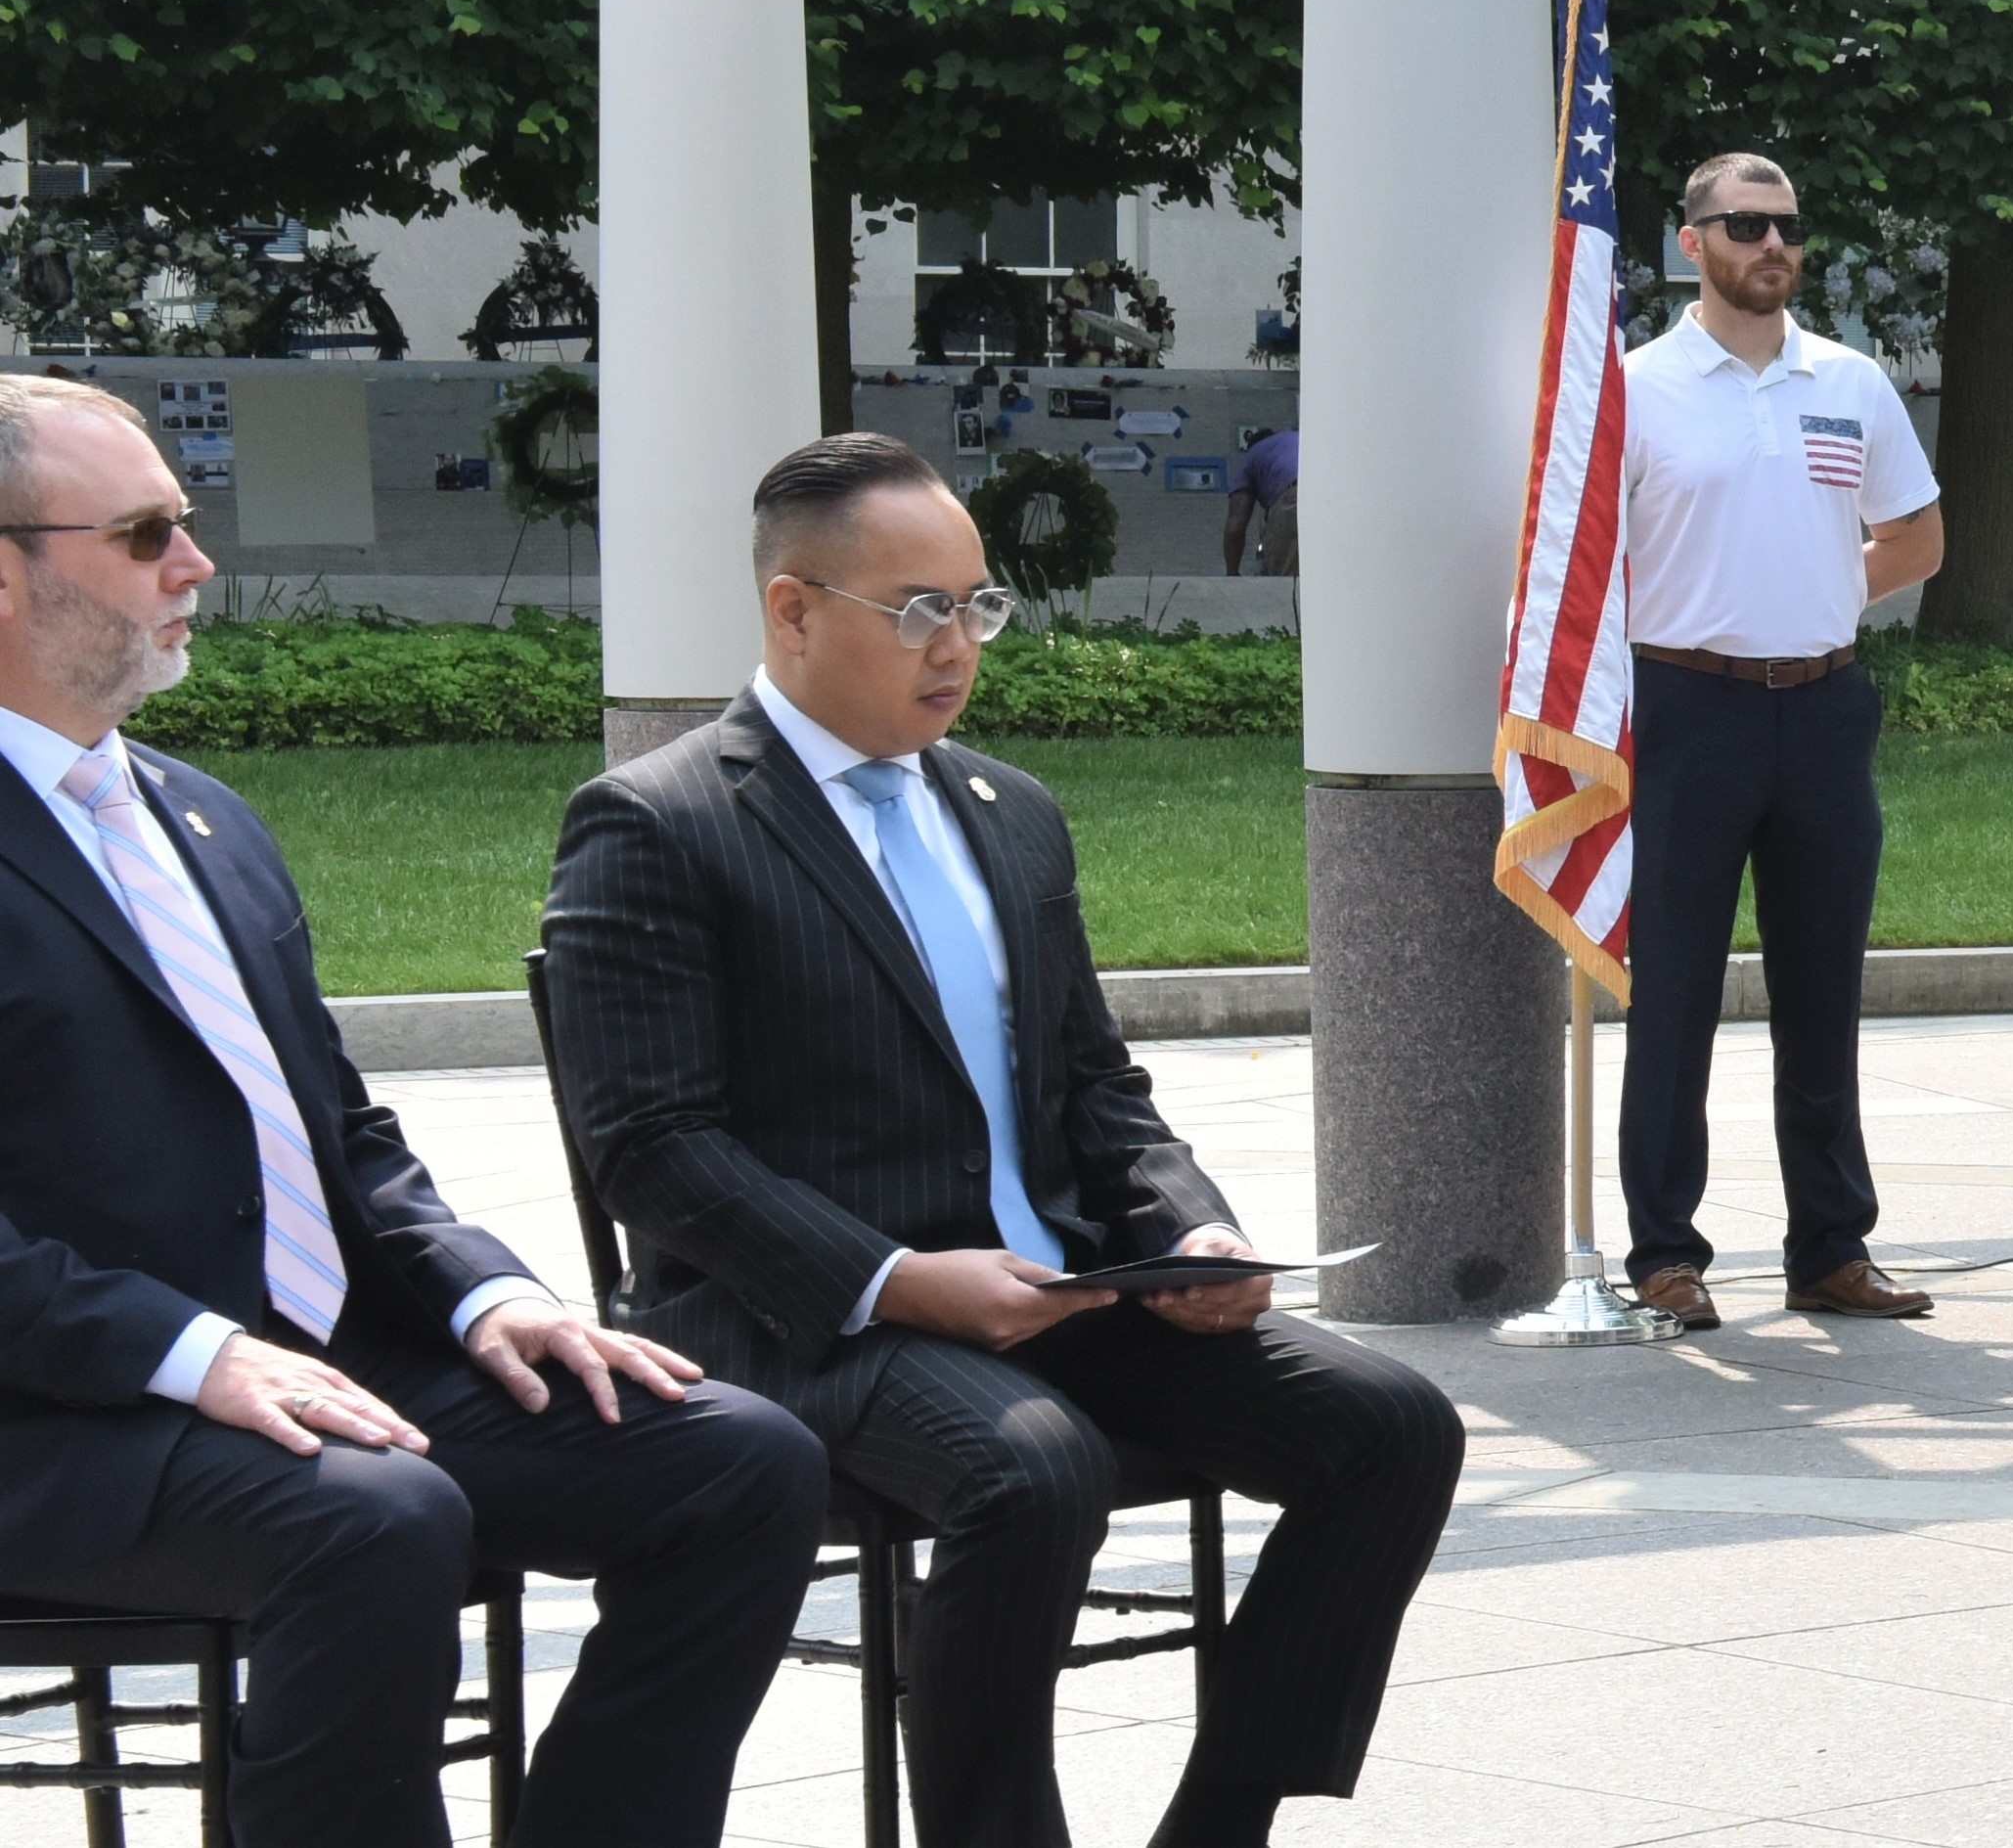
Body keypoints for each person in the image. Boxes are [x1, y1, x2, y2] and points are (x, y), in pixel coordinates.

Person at [540, 430, 1464, 1848]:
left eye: (978, 603)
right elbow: (655, 1149)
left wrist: (1186, 1228)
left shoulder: (1007, 810)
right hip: (810, 1320)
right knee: (1033, 1468)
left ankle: (1221, 1823)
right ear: (791, 608)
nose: (958, 642)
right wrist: (903, 1281)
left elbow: (1097, 1087)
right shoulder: (658, 823)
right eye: (916, 608)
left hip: (1066, 1293)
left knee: (1390, 1425)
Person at [0, 374, 825, 1848]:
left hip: (325, 1365)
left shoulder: (200, 815)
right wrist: (193, 1354)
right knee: (377, 1520)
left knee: (737, 1459)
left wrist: (482, 1291)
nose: (198, 564)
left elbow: (340, 1131)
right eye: (143, 534)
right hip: (61, 1411)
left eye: (186, 523)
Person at [1618, 154, 1947, 1331]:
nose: (1773, 245)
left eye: (1789, 226)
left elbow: (1915, 540)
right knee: (1674, 994)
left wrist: (1813, 593)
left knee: (1823, 989)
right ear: (1690, 242)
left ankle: (1830, 1247)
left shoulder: (1848, 382)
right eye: (1746, 225)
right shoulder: (1635, 387)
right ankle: (1663, 1250)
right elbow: (1585, 570)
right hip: (1684, 710)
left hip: (1820, 709)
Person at [1222, 424, 1298, 576]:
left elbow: (1235, 527)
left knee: (1287, 587)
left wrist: (1232, 574)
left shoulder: (1251, 456)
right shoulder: (1300, 438)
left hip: (1293, 500)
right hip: (1338, 495)